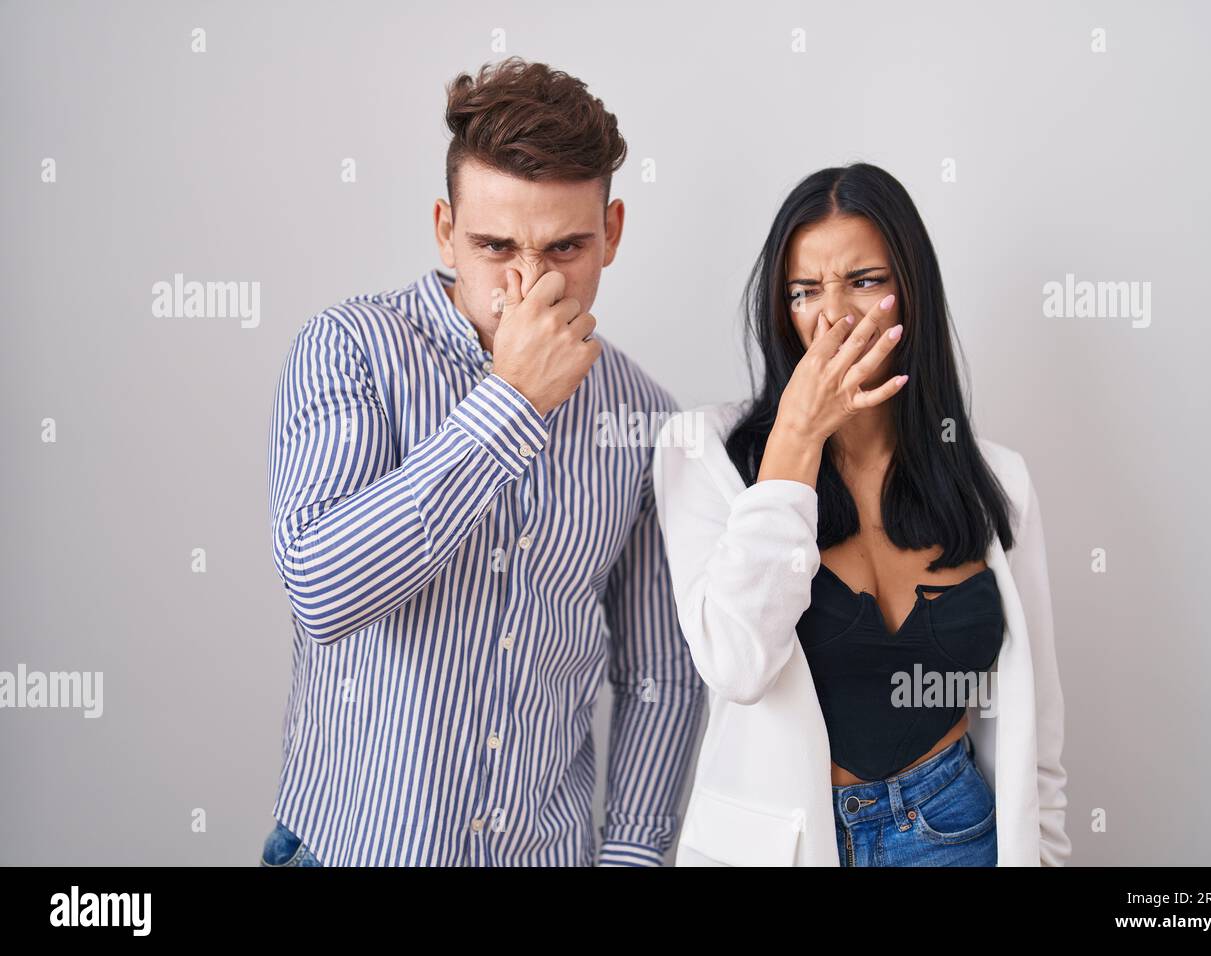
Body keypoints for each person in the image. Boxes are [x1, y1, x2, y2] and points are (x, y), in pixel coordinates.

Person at [259, 57, 705, 867]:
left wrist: (633, 857)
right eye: (495, 245)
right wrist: (513, 403)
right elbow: (321, 590)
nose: (528, 283)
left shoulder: (645, 419)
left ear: (612, 232)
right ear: (444, 229)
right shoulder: (349, 349)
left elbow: (660, 680)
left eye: (566, 246)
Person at [652, 163, 1070, 866]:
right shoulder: (706, 455)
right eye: (805, 290)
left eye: (865, 281)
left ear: (910, 291)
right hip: (788, 848)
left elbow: (1040, 737)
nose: (834, 316)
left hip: (956, 832)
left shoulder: (996, 479)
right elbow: (737, 665)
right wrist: (797, 438)